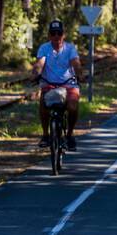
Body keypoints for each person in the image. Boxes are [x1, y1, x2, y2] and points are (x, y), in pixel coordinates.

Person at [31, 19, 83, 151]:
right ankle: (45, 135)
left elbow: (75, 62)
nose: (56, 36)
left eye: (59, 33)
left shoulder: (70, 48)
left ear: (63, 35)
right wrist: (36, 73)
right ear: (49, 35)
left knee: (72, 106)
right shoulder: (44, 48)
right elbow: (40, 63)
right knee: (43, 104)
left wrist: (79, 74)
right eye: (53, 33)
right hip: (50, 84)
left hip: (69, 84)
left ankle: (70, 135)